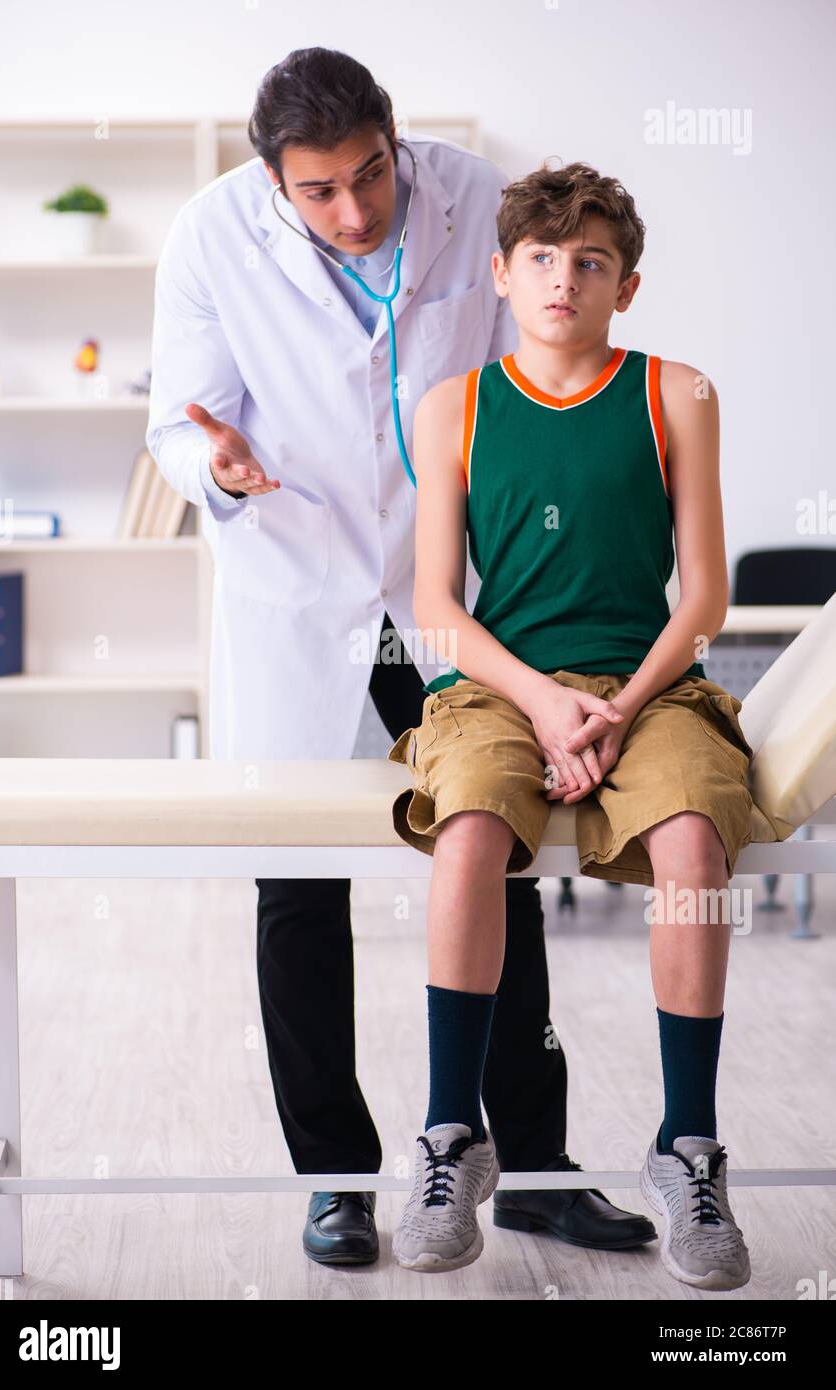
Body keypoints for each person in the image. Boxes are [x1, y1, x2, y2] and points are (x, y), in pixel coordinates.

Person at [146, 46, 653, 1267]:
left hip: (449, 594)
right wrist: (213, 465)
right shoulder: (209, 238)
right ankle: (334, 1180)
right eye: (318, 191)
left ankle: (530, 1167)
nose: (357, 209)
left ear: (396, 136)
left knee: (500, 860)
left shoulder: (479, 198)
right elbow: (178, 414)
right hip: (298, 582)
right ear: (274, 180)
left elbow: (539, 365)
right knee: (299, 891)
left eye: (371, 173)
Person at [388, 158, 768, 1289]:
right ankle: (454, 1133)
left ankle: (688, 1146)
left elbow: (703, 597)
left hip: (647, 684)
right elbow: (438, 609)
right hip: (501, 686)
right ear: (501, 274)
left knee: (695, 841)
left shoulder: (678, 393)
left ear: (627, 285)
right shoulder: (453, 405)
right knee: (467, 836)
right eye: (543, 259)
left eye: (590, 261)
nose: (565, 279)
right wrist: (548, 703)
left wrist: (618, 706)